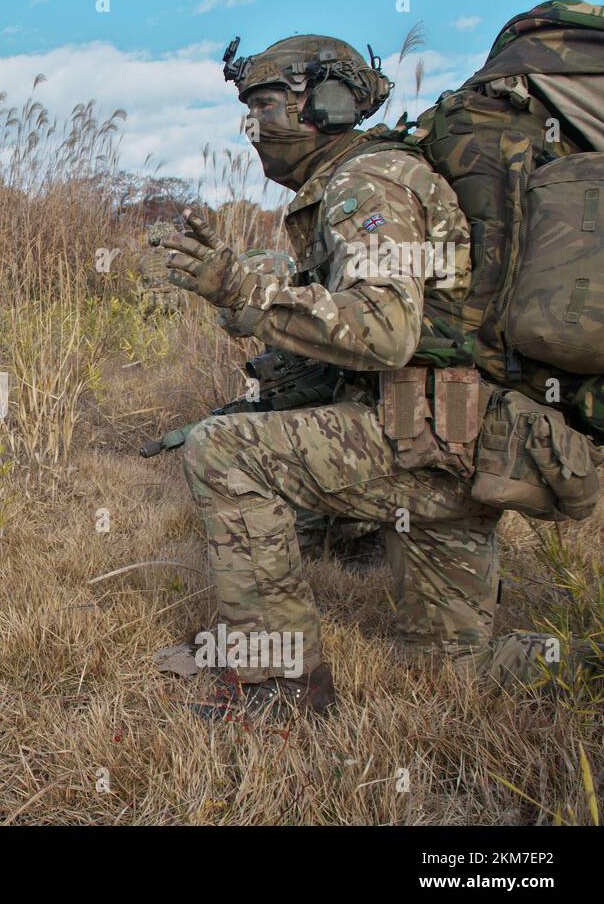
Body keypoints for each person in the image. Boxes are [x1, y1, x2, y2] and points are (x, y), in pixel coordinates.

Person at [148, 35, 570, 720]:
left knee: (224, 450)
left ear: (325, 103)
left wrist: (241, 291)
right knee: (454, 670)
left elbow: (383, 329)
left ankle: (280, 691)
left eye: (263, 106)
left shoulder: (366, 183)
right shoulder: (378, 175)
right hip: (460, 448)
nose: (253, 128)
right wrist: (238, 287)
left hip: (426, 449)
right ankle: (583, 663)